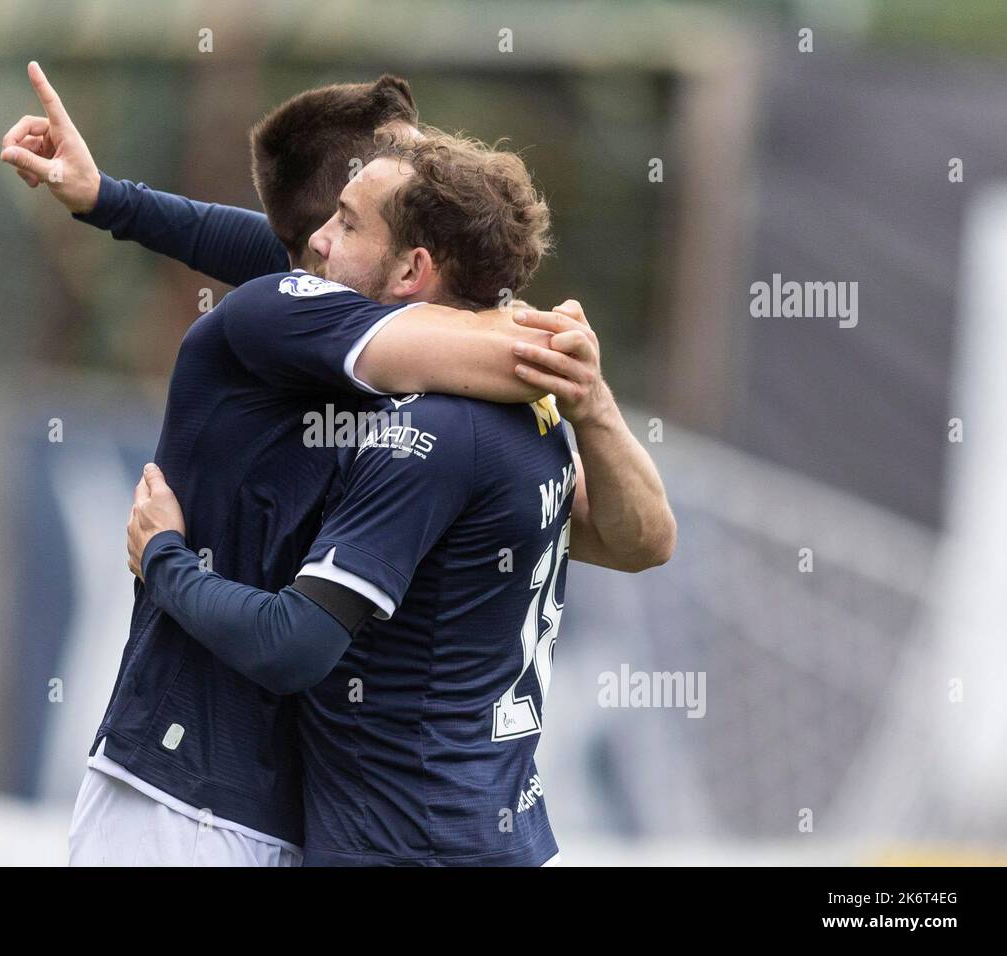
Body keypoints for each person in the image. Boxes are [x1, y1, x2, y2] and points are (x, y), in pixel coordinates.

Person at [124, 130, 674, 865]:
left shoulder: (430, 433)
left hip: (405, 842)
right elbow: (640, 539)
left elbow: (293, 643)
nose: (317, 240)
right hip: (501, 836)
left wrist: (164, 558)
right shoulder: (530, 416)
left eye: (347, 222)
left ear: (414, 268)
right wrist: (106, 199)